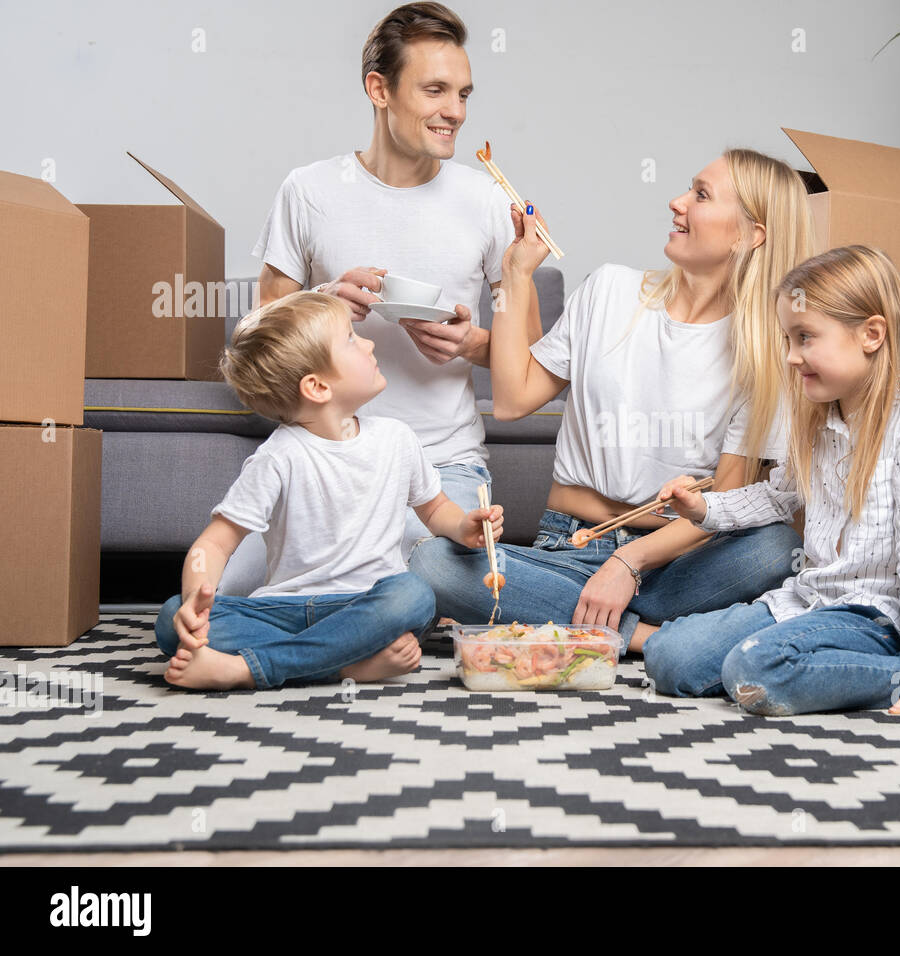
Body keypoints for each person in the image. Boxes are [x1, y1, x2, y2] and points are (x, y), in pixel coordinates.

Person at [410, 149, 813, 655]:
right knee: (432, 565)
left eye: (701, 195)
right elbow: (512, 400)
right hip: (570, 547)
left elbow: (724, 507)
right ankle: (647, 637)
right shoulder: (609, 290)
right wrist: (515, 274)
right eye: (688, 189)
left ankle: (574, 619)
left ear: (751, 234)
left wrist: (629, 564)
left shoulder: (764, 356)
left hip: (677, 562)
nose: (676, 202)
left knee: (775, 550)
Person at [219, 2, 537, 596]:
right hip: (325, 457)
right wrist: (323, 301)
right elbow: (255, 344)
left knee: (419, 580)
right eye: (436, 90)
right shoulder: (309, 191)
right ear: (379, 89)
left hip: (443, 468)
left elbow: (532, 368)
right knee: (215, 600)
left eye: (464, 94)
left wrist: (472, 344)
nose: (455, 112)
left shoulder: (488, 201)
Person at [643, 245, 900, 716]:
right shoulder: (819, 414)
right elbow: (778, 497)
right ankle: (860, 665)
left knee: (755, 672)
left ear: (871, 334)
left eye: (805, 337)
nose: (791, 357)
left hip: (874, 616)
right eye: (788, 340)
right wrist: (704, 510)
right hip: (809, 601)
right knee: (667, 657)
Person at [155, 291, 504, 691]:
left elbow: (436, 508)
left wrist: (463, 527)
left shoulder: (397, 438)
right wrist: (194, 603)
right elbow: (214, 544)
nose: (370, 342)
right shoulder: (278, 457)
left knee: (413, 594)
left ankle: (249, 668)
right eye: (352, 339)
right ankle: (341, 664)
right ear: (318, 387)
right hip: (281, 609)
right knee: (170, 619)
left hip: (366, 604)